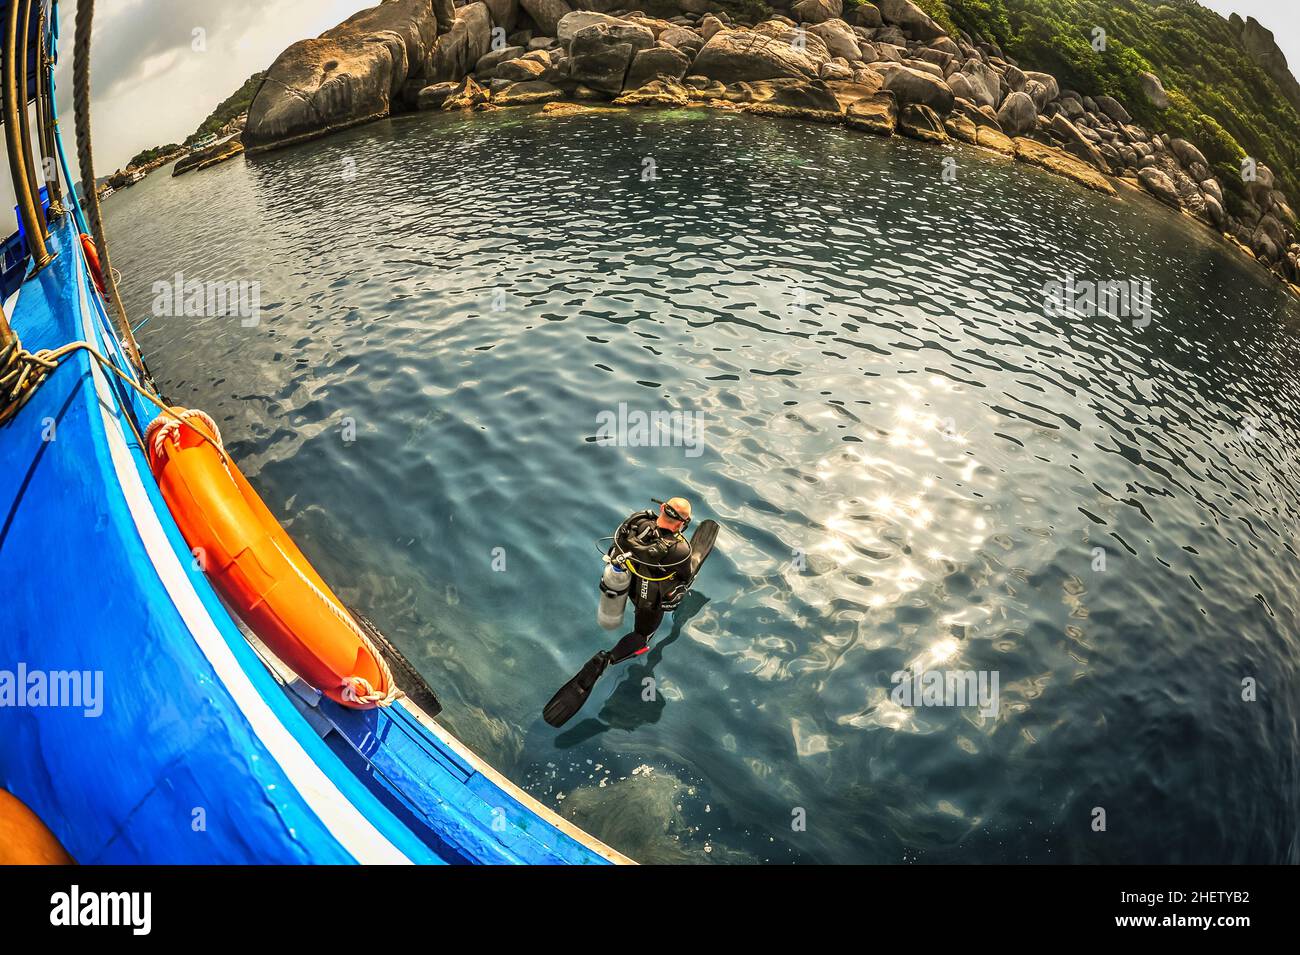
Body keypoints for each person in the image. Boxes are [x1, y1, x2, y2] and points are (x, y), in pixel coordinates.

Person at [607, 497, 694, 663]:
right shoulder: (680, 550)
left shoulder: (639, 523)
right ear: (682, 523)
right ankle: (610, 659)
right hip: (647, 601)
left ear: (662, 507)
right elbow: (686, 576)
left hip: (623, 584)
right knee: (642, 634)